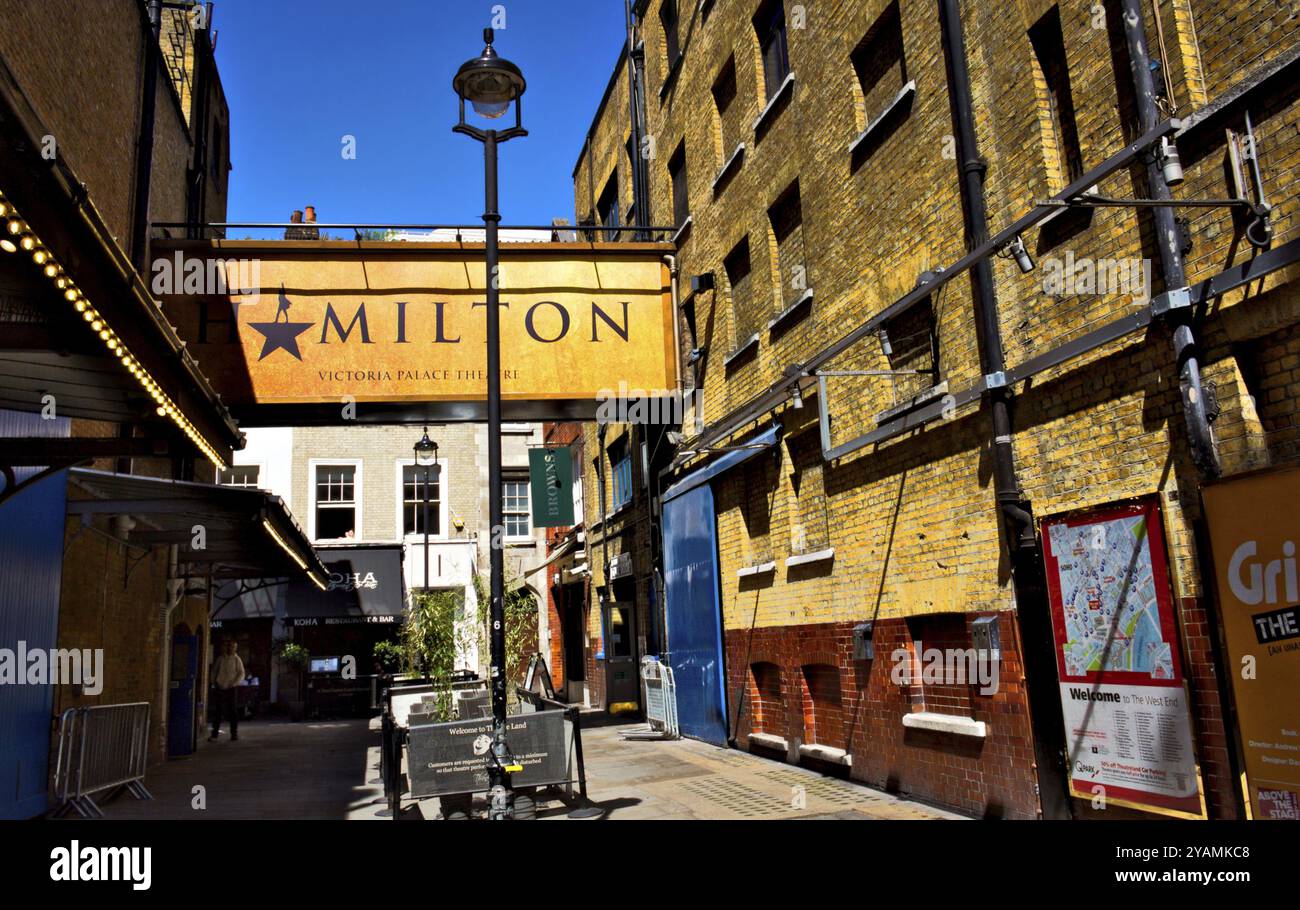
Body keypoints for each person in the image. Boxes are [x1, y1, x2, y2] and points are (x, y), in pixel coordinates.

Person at [210, 639, 246, 742]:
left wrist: (234, 683)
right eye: (229, 646)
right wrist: (214, 682)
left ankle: (234, 734)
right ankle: (214, 734)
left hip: (231, 688)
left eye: (233, 647)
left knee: (233, 711)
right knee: (218, 711)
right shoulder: (221, 659)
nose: (231, 648)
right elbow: (214, 671)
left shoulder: (236, 659)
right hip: (220, 687)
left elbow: (241, 673)